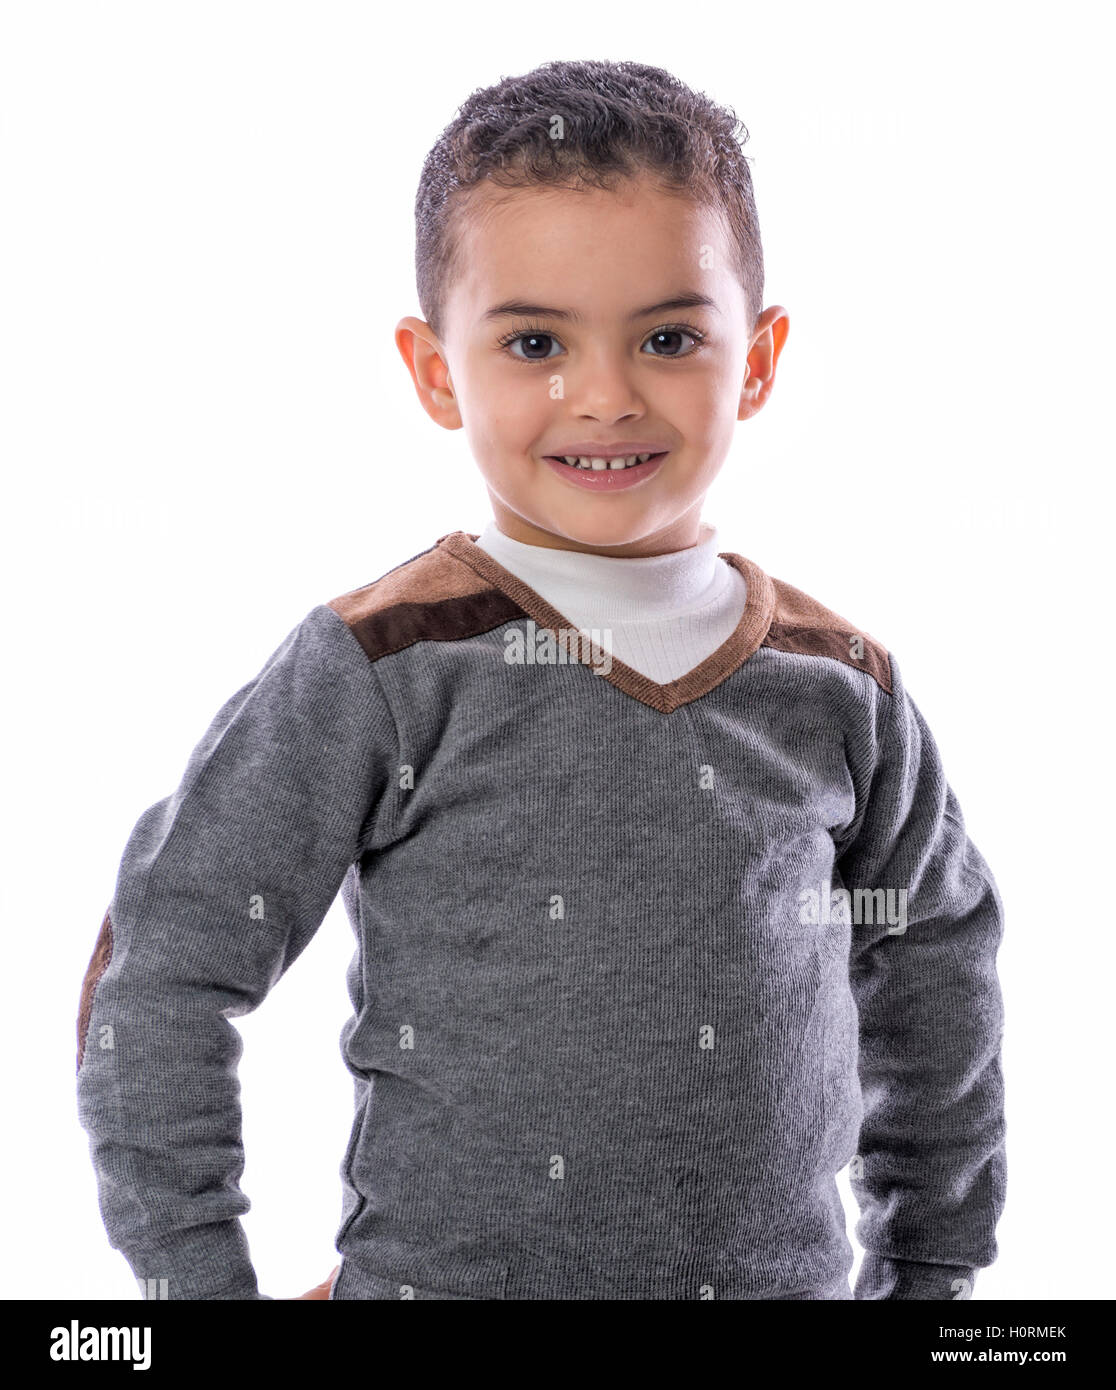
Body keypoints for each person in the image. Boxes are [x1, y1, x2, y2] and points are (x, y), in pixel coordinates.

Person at [76, 58, 1006, 1301]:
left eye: (669, 336)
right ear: (436, 370)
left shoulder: (843, 687)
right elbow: (165, 967)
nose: (605, 395)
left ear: (761, 358)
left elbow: (938, 967)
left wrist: (929, 1278)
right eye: (534, 341)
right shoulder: (383, 666)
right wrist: (196, 1283)